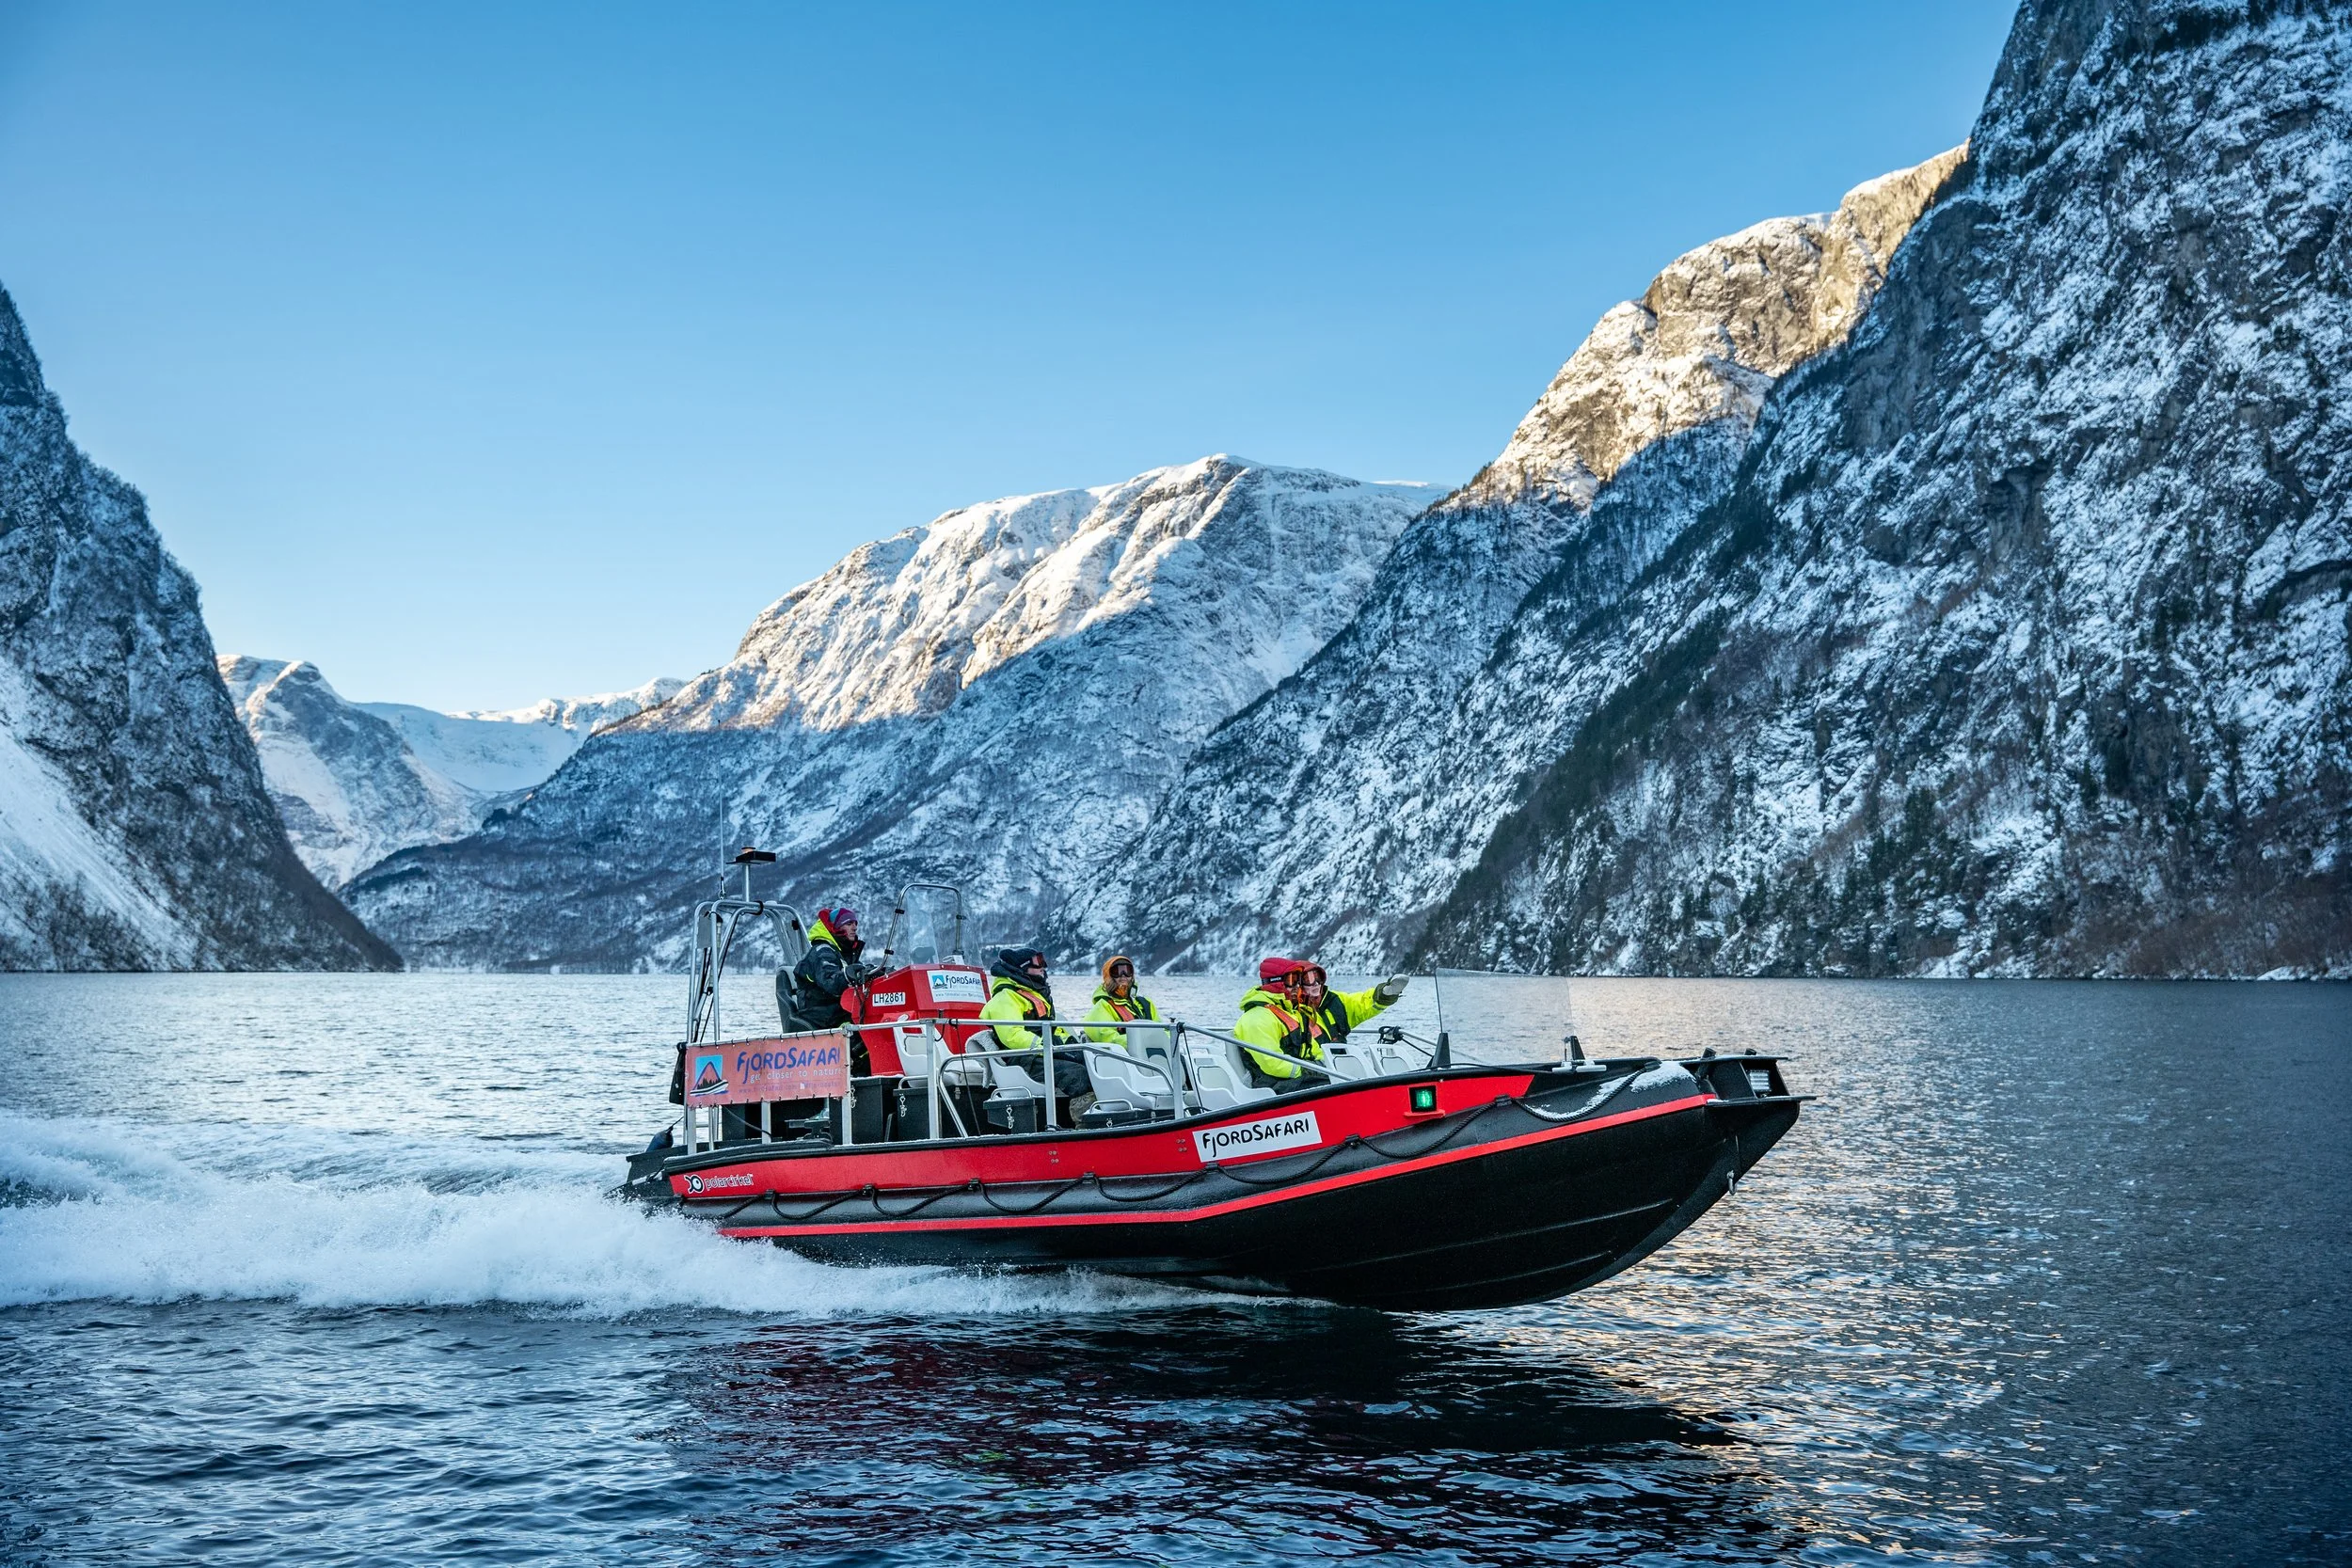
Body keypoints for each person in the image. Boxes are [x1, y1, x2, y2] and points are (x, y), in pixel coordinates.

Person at [977, 945, 1093, 1110]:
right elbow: (1012, 1035)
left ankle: (1110, 1110)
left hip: (1041, 1054)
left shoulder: (1035, 995)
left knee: (1092, 1062)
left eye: (1042, 961)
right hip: (1023, 1059)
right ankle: (1087, 1120)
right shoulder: (1005, 997)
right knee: (1077, 1074)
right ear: (1023, 968)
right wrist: (1047, 1046)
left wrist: (1071, 1044)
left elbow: (1052, 1028)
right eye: (1038, 963)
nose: (1043, 967)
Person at [781, 905, 877, 1075]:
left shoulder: (840, 953)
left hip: (837, 1012)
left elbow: (847, 974)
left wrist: (874, 973)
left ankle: (881, 1074)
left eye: (855, 923)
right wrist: (849, 975)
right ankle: (864, 1079)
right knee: (868, 1036)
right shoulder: (822, 953)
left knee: (875, 1022)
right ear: (836, 927)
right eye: (848, 923)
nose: (854, 927)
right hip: (822, 1015)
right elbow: (831, 980)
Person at [1232, 957, 1327, 1090]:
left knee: (1338, 1078)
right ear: (1275, 982)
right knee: (1329, 1084)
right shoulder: (1257, 1018)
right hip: (1270, 1084)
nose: (1297, 986)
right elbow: (1273, 1064)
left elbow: (1313, 1049)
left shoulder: (1293, 1013)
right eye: (1291, 980)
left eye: (1298, 980)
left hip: (1295, 1079)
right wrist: (1311, 1071)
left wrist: (1327, 1065)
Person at [1300, 965, 1411, 1054]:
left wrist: (1385, 994)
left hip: (1338, 1065)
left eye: (1317, 978)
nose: (1315, 983)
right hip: (1312, 1071)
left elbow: (1362, 1003)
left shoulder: (1336, 1002)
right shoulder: (1292, 1012)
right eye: (1308, 980)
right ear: (1298, 985)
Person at [1084, 955, 1160, 1048]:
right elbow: (1106, 1036)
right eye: (1117, 971)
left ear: (1132, 975)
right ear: (1108, 976)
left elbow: (1164, 1030)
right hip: (1125, 1059)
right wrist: (1141, 1042)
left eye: (1127, 971)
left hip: (1153, 1055)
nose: (1123, 975)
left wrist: (1163, 1042)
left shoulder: (1146, 1003)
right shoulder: (1103, 1006)